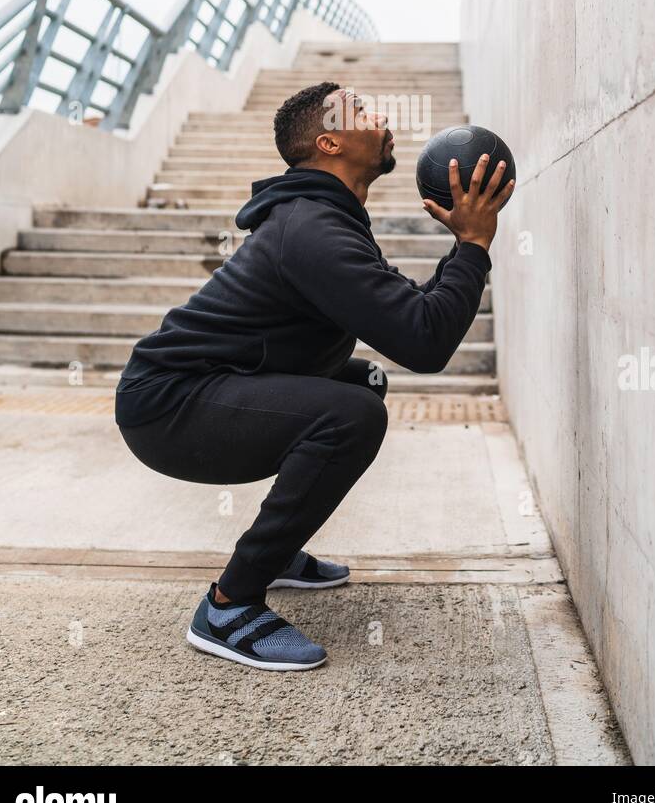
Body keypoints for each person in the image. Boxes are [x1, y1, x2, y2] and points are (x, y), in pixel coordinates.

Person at [115, 80, 514, 671]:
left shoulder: (331, 221)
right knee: (352, 416)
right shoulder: (313, 231)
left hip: (201, 387)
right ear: (328, 142)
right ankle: (229, 606)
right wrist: (475, 244)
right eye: (361, 111)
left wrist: (462, 247)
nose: (381, 117)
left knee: (361, 385)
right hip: (168, 406)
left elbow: (414, 314)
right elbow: (426, 343)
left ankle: (275, 553)